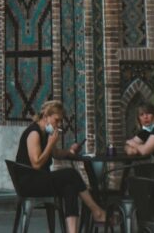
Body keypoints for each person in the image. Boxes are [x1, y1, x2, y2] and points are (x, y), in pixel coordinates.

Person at [17, 99, 108, 233]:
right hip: (30, 182)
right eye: (56, 120)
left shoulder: (46, 132)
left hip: (42, 178)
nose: (59, 124)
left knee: (70, 188)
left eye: (60, 121)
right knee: (71, 173)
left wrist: (70, 151)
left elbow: (55, 154)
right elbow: (36, 164)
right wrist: (50, 143)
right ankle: (97, 210)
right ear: (46, 116)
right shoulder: (34, 133)